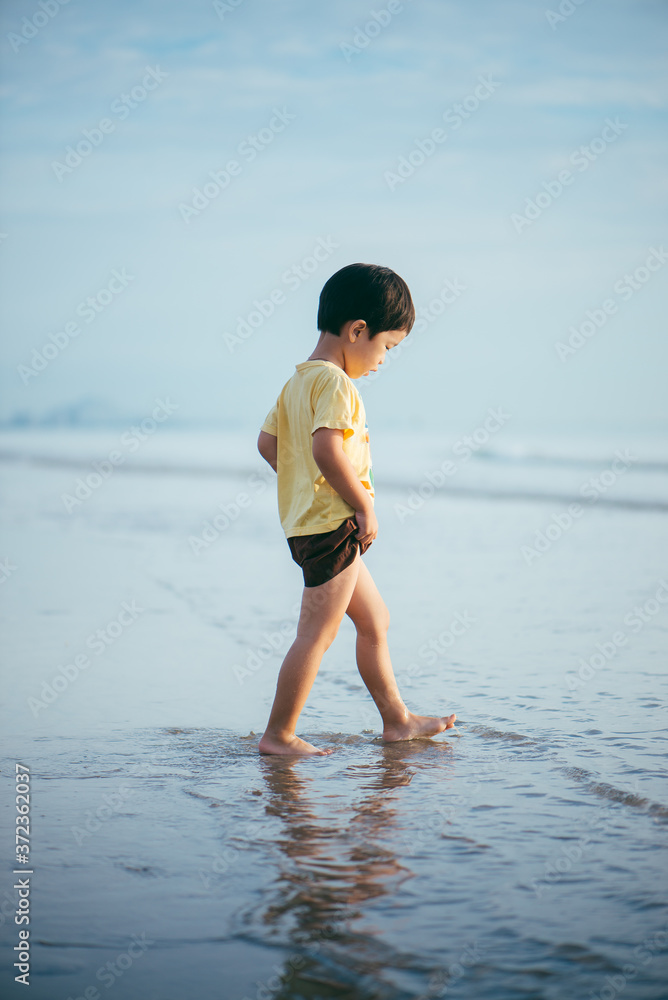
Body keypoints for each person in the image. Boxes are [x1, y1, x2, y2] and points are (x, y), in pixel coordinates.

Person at [256, 263, 456, 756]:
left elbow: (267, 444)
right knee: (315, 636)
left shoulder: (297, 382)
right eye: (386, 347)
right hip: (333, 526)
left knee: (374, 620)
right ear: (358, 330)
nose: (384, 360)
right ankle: (278, 736)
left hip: (312, 524)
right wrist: (364, 505)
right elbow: (327, 449)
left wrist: (304, 487)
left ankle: (397, 720)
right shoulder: (339, 385)